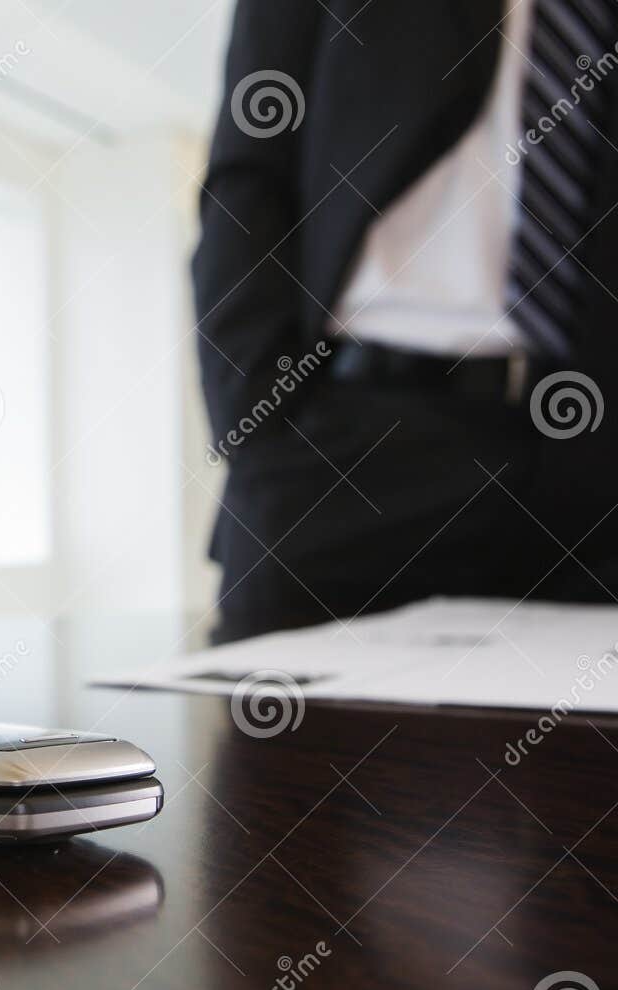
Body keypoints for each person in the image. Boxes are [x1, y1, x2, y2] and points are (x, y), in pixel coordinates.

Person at [193, 0, 618, 642]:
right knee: (291, 736)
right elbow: (248, 179)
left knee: (581, 742)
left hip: (591, 470)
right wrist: (256, 419)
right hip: (343, 447)